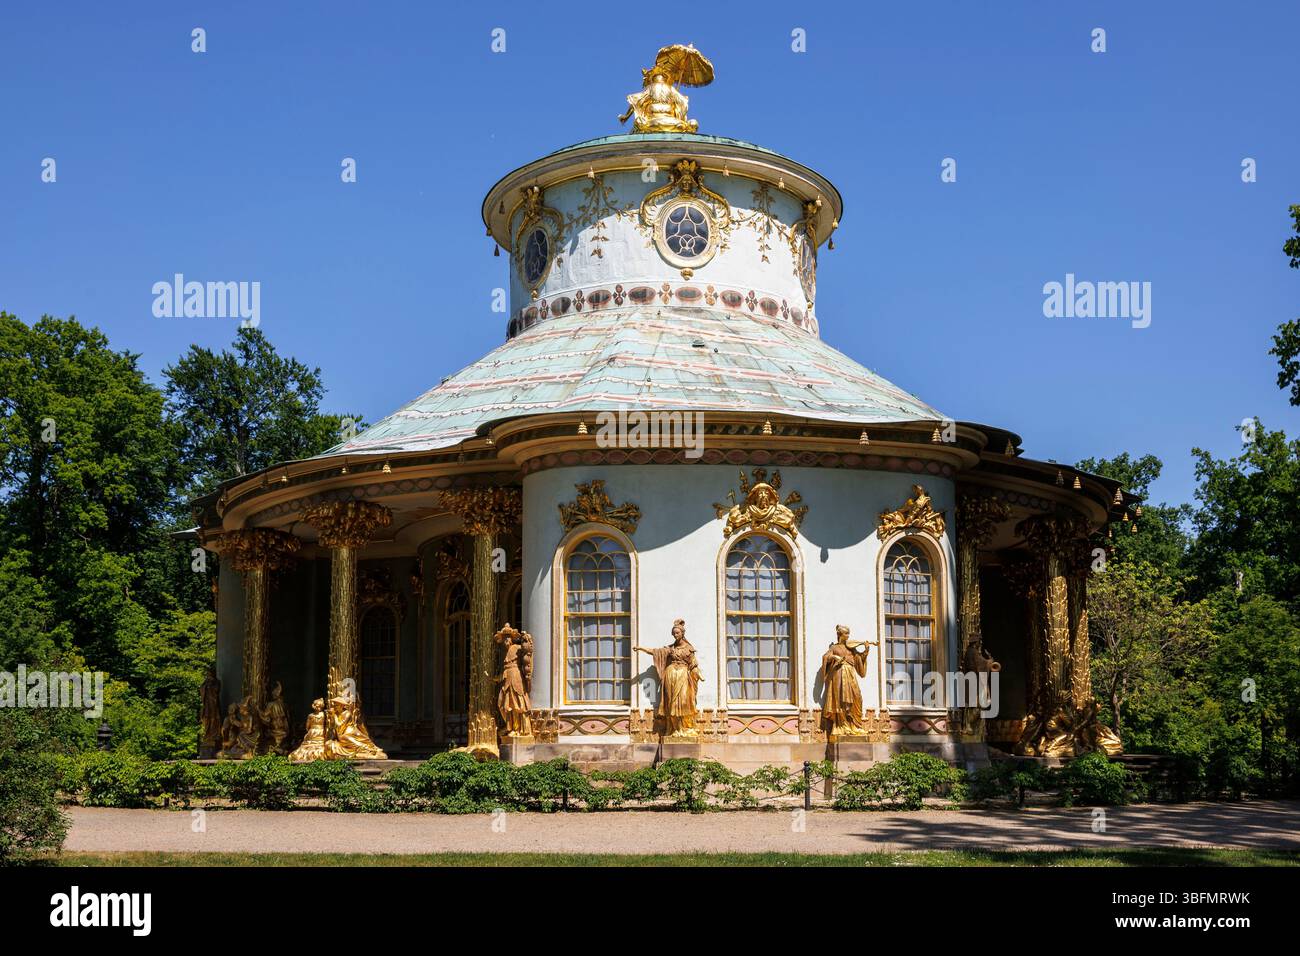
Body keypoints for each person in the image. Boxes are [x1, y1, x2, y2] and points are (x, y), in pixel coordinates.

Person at [634, 619, 701, 737]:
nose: (675, 635)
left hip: (683, 676)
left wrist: (697, 674)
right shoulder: (670, 649)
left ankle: (685, 728)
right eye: (674, 633)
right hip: (670, 675)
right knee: (671, 703)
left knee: (684, 701)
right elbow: (655, 652)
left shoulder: (689, 648)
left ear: (682, 633)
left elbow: (693, 664)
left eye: (678, 633)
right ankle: (674, 729)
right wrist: (641, 648)